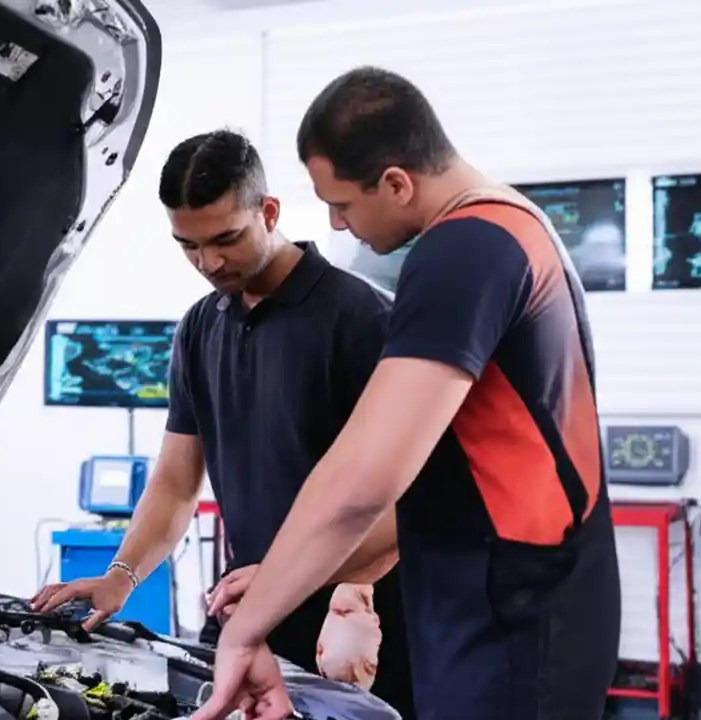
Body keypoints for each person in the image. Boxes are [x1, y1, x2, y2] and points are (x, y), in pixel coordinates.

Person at [192, 66, 622, 720]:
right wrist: (288, 575)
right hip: (523, 598)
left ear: (395, 182)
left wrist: (248, 628)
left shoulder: (462, 250)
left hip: (513, 614)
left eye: (341, 204)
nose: (336, 226)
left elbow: (364, 474)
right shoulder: (512, 227)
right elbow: (437, 476)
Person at [30, 128, 416, 719]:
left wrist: (290, 574)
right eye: (188, 245)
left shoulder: (362, 320)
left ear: (269, 211)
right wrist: (121, 576)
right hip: (251, 615)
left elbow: (411, 501)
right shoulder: (199, 328)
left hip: (359, 626)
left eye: (226, 239)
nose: (209, 263)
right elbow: (176, 483)